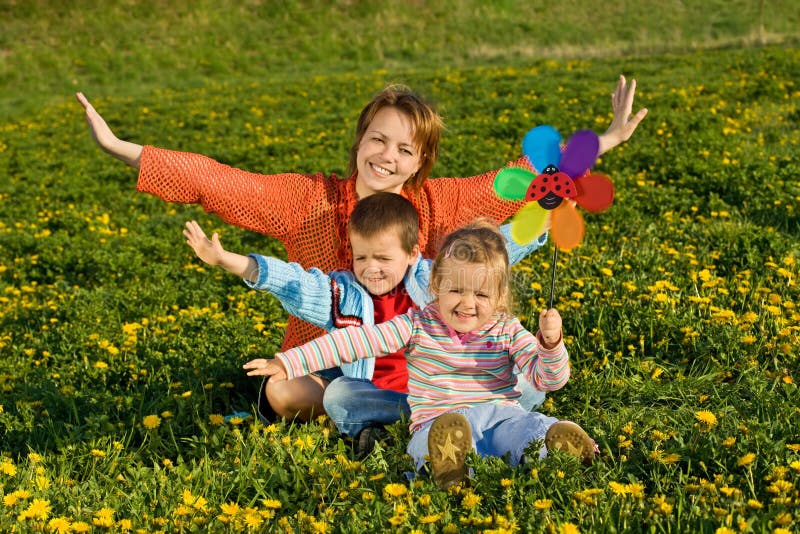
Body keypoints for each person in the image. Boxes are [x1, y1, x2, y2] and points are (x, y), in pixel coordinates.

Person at [76, 78, 647, 420]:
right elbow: (224, 183)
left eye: (404, 149)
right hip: (333, 359)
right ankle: (418, 411)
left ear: (420, 162)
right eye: (378, 139)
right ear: (359, 141)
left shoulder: (438, 202)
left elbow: (523, 177)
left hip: (426, 352)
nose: (387, 157)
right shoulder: (311, 200)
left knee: (480, 364)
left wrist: (606, 139)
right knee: (283, 392)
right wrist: (123, 148)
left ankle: (435, 406)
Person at [243, 221, 596, 488]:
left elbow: (549, 379)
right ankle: (451, 467)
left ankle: (555, 444)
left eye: (481, 295)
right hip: (439, 420)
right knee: (431, 441)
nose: (467, 303)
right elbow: (354, 342)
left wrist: (550, 345)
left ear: (500, 297)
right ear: (436, 286)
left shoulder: (506, 328)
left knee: (524, 429)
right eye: (456, 290)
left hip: (500, 414)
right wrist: (290, 361)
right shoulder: (417, 323)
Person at [184, 193, 548, 450]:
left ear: (412, 254)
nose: (371, 268)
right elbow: (294, 282)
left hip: (453, 387)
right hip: (392, 399)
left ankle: (427, 427)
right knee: (340, 394)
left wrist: (543, 219)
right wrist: (228, 260)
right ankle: (432, 426)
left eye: (383, 258)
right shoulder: (343, 293)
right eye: (362, 258)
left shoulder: (436, 280)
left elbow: (494, 250)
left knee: (530, 383)